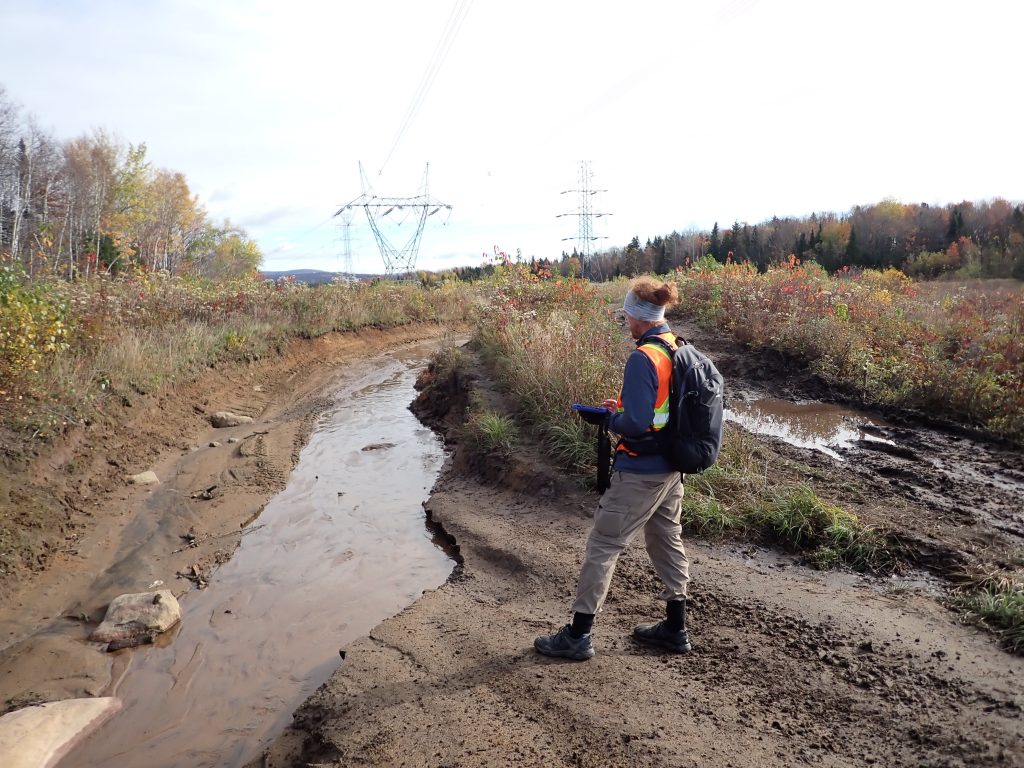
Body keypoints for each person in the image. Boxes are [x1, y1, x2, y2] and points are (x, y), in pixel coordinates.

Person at [534, 276, 691, 660]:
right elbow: (659, 409)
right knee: (666, 538)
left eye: (626, 315)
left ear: (637, 316)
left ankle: (577, 635)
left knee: (603, 545)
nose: (626, 321)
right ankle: (675, 627)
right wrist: (621, 410)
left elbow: (636, 424)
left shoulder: (643, 357)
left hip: (641, 472)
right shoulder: (677, 347)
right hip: (672, 467)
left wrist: (608, 420)